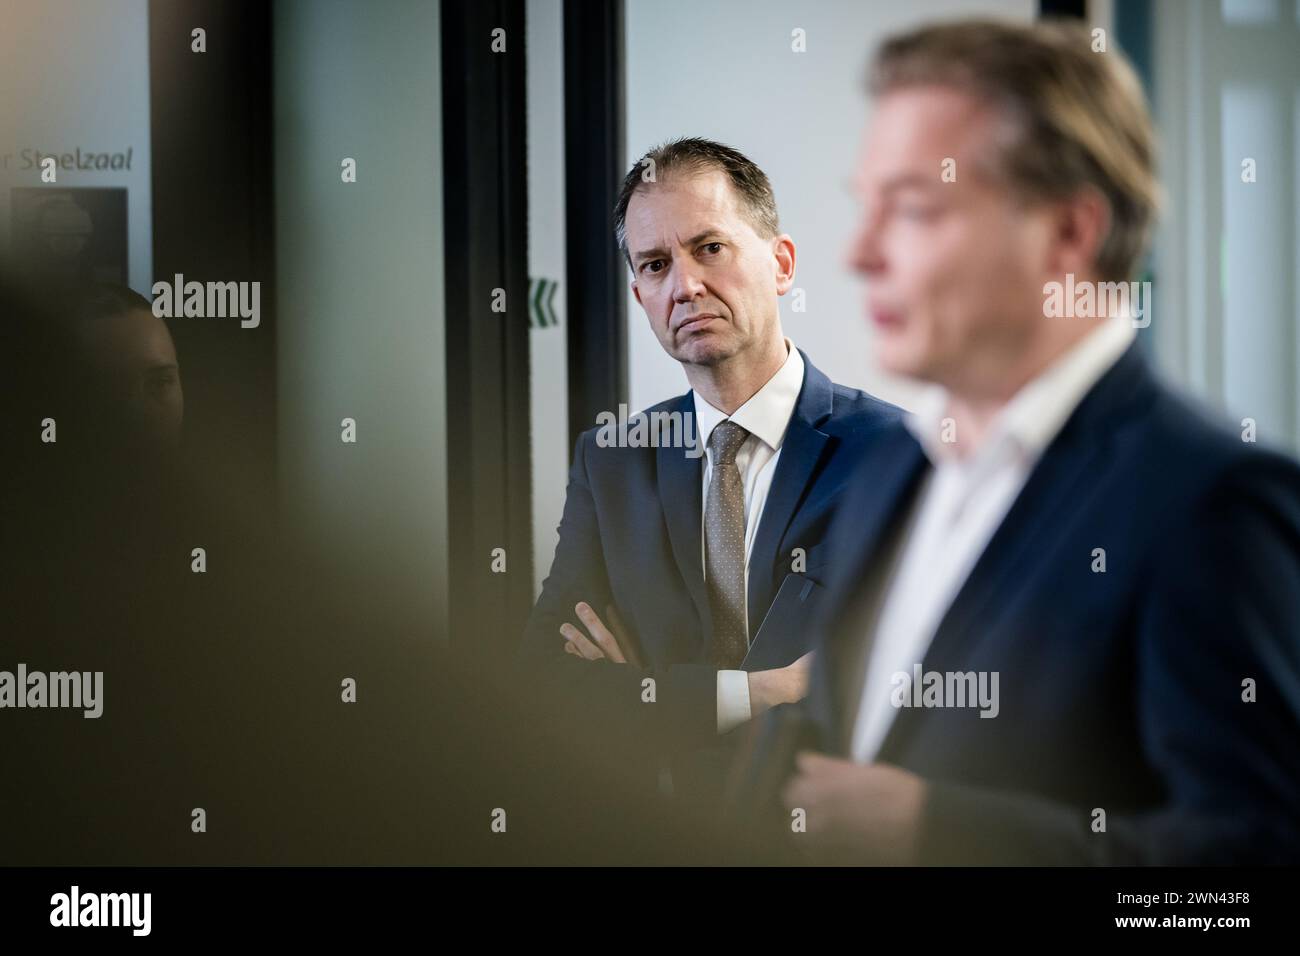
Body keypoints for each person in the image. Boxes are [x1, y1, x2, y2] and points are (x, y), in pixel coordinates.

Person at [767, 19, 1300, 864]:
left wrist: (937, 833)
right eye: (863, 206)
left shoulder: (1213, 504)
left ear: (1068, 235)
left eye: (911, 209)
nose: (859, 253)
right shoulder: (887, 464)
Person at [519, 137, 900, 795]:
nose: (685, 286)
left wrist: (647, 694)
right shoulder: (610, 462)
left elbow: (903, 691)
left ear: (781, 263)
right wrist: (762, 690)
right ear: (640, 297)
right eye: (657, 264)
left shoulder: (897, 456)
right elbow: (545, 689)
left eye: (710, 248)